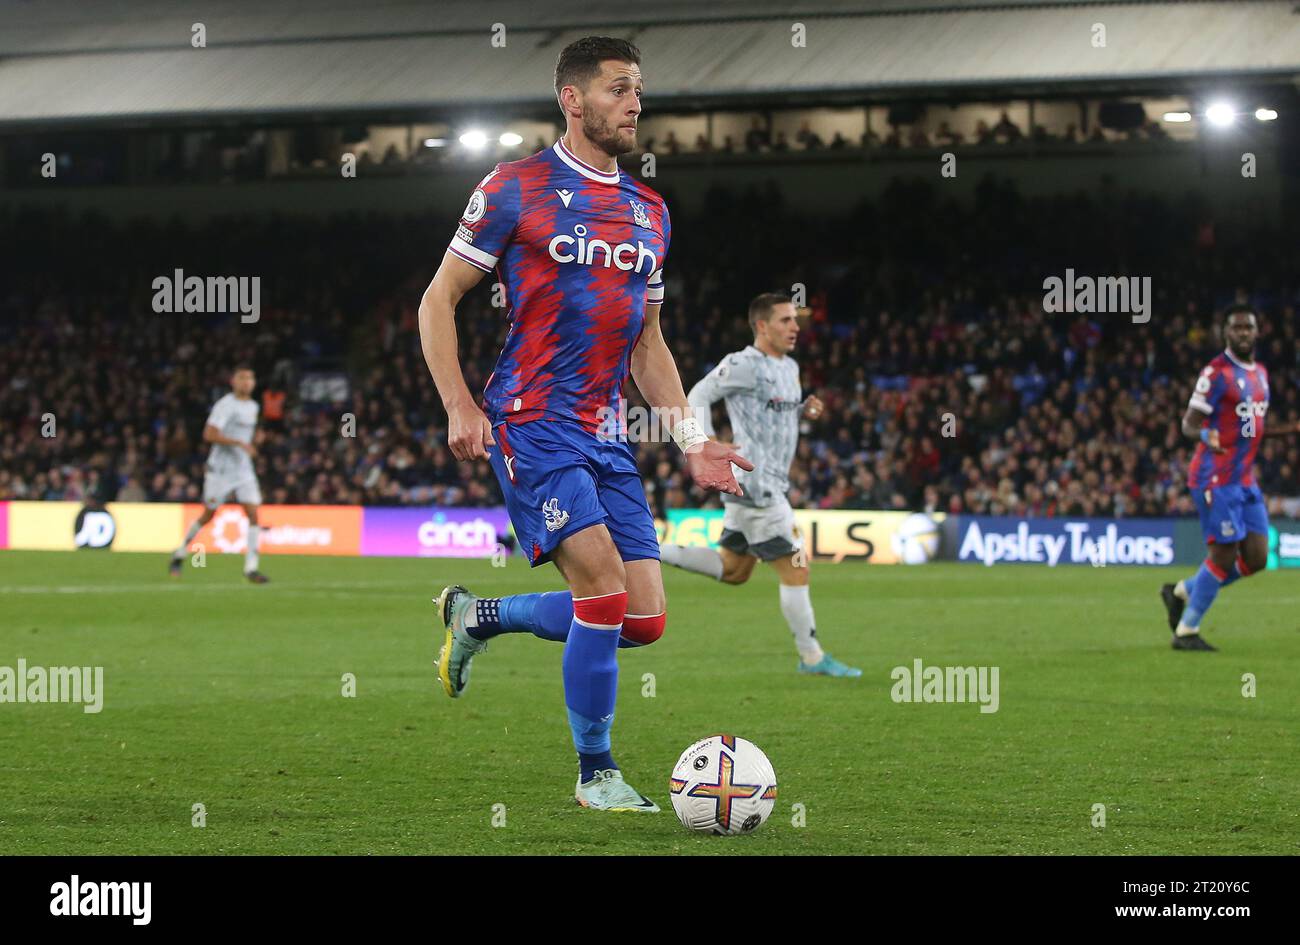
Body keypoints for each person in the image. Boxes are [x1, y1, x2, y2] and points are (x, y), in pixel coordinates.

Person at [419, 36, 752, 812]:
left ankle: (480, 614)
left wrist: (692, 440)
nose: (635, 103)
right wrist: (459, 403)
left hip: (605, 431)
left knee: (643, 620)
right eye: (618, 89)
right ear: (573, 99)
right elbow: (438, 300)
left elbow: (649, 343)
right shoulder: (515, 188)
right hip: (531, 419)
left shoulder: (649, 211)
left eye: (638, 89)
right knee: (600, 587)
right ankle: (595, 772)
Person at [660, 293, 862, 677]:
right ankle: (812, 657)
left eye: (795, 320)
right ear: (762, 326)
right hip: (756, 484)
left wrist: (806, 411)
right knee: (797, 569)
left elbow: (776, 413)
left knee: (735, 570)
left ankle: (650, 549)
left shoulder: (789, 367)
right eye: (785, 320)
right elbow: (699, 394)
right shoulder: (743, 364)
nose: (795, 327)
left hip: (766, 484)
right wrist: (702, 442)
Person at [1161, 305, 1299, 649]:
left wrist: (1290, 430)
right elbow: (1188, 424)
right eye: (1236, 329)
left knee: (1256, 558)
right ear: (1226, 334)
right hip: (1215, 478)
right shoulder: (1216, 373)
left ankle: (1181, 592)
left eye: (1248, 328)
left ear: (1257, 332)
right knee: (1222, 557)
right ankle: (1186, 632)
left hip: (1244, 480)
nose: (1242, 334)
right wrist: (1209, 436)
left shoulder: (1260, 375)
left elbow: (1253, 428)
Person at [168, 365, 269, 583]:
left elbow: (246, 435)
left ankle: (251, 568)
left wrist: (254, 441)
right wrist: (239, 443)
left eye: (251, 378)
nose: (247, 382)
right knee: (208, 515)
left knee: (253, 514)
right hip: (220, 470)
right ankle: (180, 553)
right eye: (242, 378)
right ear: (233, 381)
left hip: (243, 469)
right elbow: (209, 434)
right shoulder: (225, 405)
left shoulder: (253, 406)